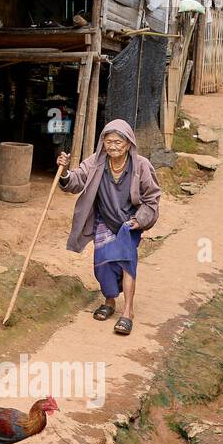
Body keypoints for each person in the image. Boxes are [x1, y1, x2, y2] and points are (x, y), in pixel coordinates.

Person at [55, 119, 161, 335]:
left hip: (128, 224)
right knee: (102, 264)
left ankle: (128, 312)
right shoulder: (96, 163)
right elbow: (75, 181)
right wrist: (65, 172)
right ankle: (110, 301)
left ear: (129, 143)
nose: (113, 146)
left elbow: (152, 198)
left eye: (118, 142)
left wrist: (140, 220)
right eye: (108, 141)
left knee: (125, 262)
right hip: (104, 221)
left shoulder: (140, 165)